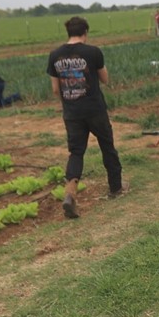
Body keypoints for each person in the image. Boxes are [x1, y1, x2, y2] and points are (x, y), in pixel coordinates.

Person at [46, 16, 128, 219]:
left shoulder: (54, 55)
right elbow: (105, 79)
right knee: (107, 146)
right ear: (85, 32)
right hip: (94, 109)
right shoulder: (93, 52)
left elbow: (56, 89)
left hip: (72, 113)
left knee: (76, 152)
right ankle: (116, 188)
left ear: (68, 32)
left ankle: (70, 192)